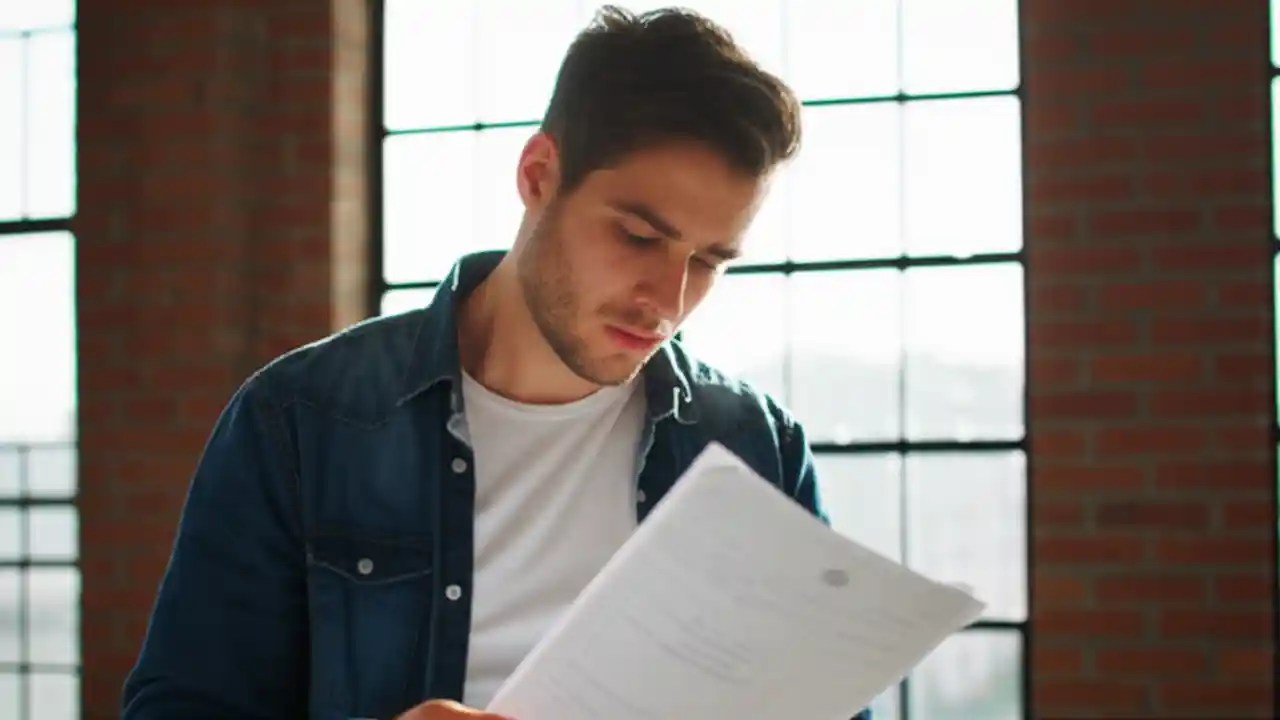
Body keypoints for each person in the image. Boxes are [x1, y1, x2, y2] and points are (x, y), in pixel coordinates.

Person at [122, 5, 872, 720]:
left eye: (708, 260)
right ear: (539, 174)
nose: (667, 300)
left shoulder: (757, 449)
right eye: (639, 236)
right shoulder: (299, 423)